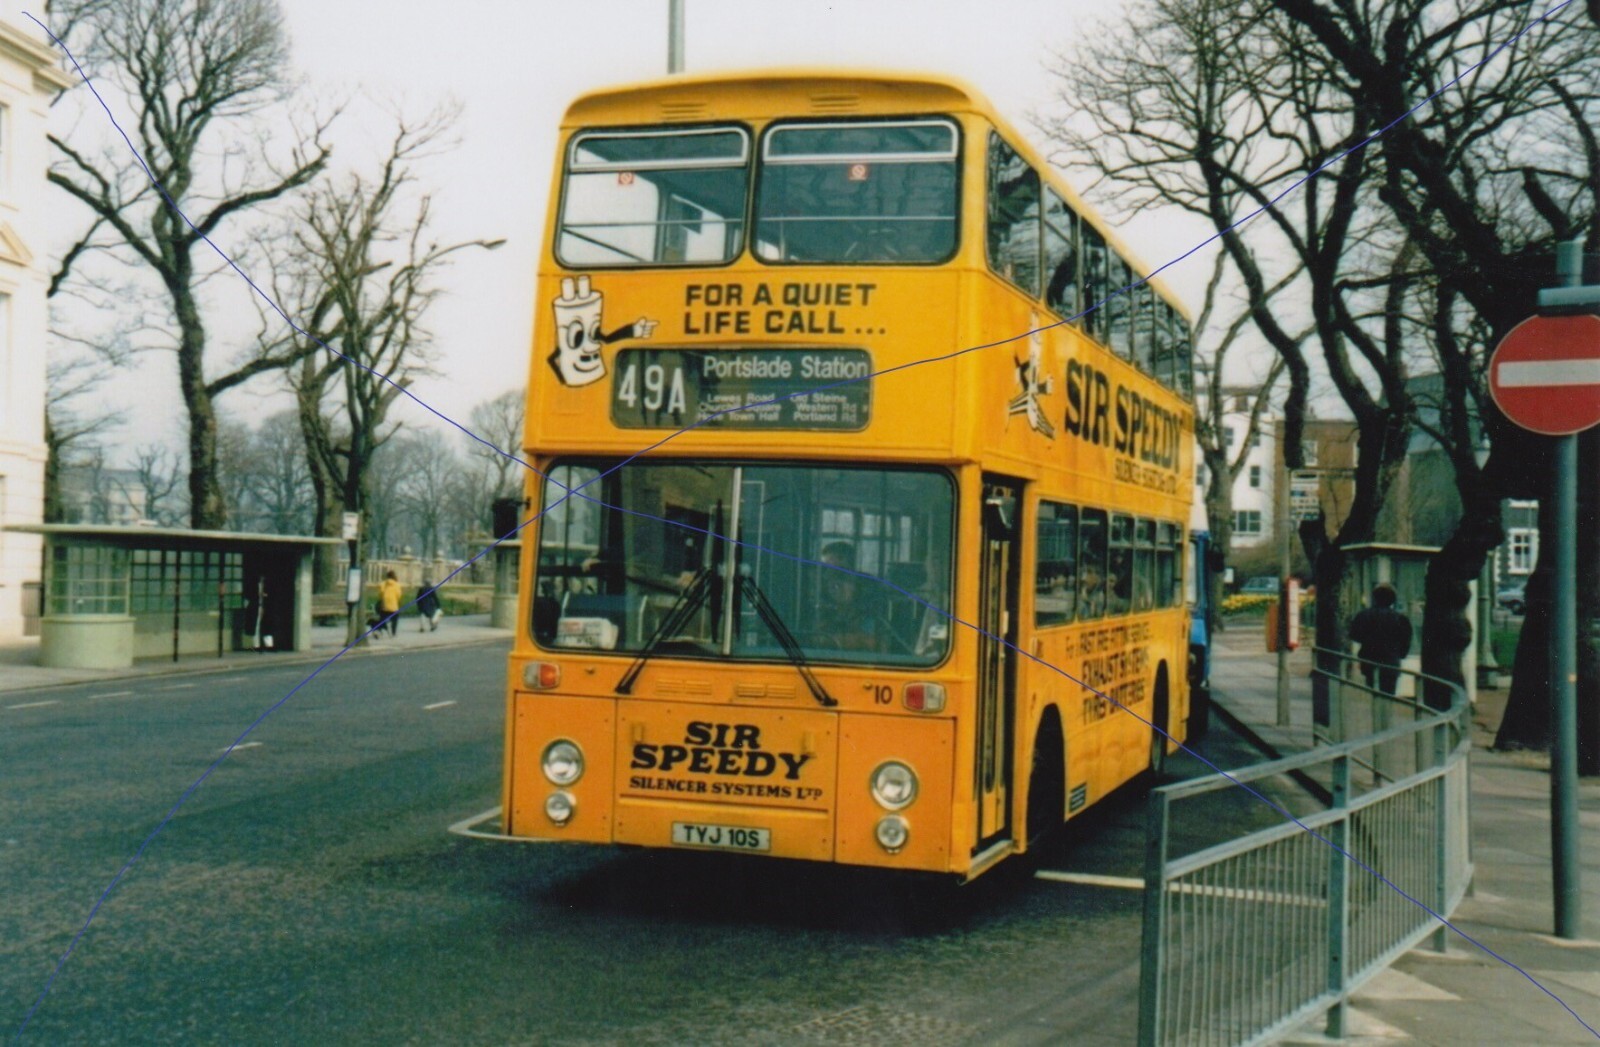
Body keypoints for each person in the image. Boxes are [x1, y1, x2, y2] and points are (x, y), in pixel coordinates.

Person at [1348, 583, 1412, 695]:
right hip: (1391, 662)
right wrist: (1400, 654)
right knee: (1388, 694)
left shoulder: (1363, 615)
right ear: (1393, 600)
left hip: (1369, 661)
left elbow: (1354, 635)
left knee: (1372, 690)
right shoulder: (1401, 619)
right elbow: (1406, 641)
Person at [377, 570, 403, 638]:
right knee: (394, 620)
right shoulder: (397, 584)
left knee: (382, 618)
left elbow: (380, 594)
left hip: (384, 604)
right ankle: (393, 632)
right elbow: (398, 595)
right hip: (394, 605)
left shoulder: (383, 584)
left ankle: (380, 631)